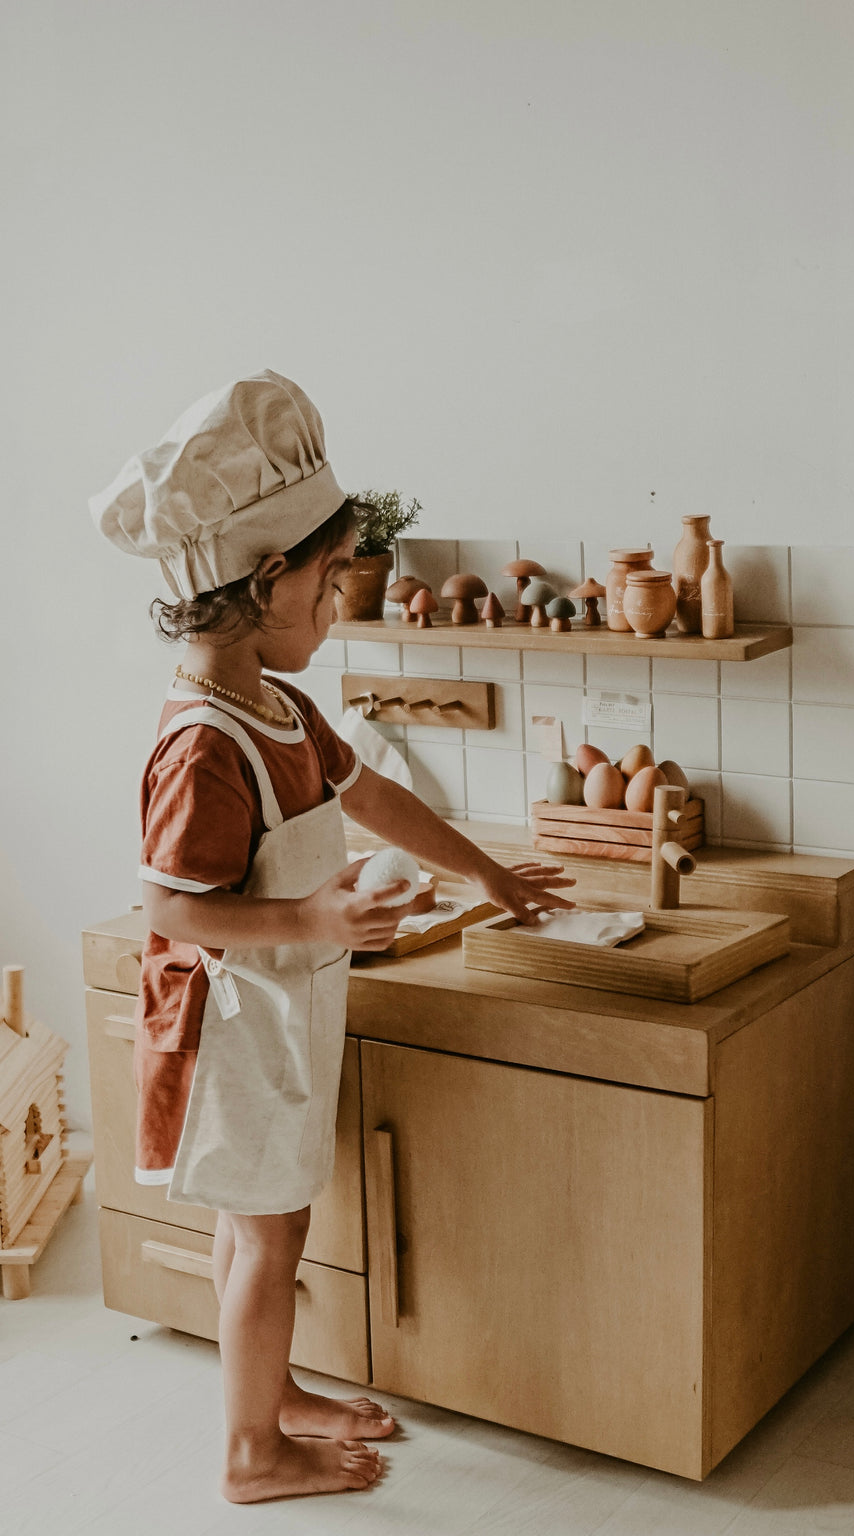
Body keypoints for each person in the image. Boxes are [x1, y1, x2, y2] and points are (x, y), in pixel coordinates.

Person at [89, 369, 575, 1504]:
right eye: (329, 582)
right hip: (232, 1027)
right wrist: (315, 915)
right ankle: (250, 1454)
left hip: (281, 1010)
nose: (339, 606)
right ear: (264, 582)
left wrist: (490, 871)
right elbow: (169, 907)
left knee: (258, 1222)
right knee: (269, 1231)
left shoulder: (279, 704)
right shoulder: (206, 741)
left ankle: (269, 1395)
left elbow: (371, 798)